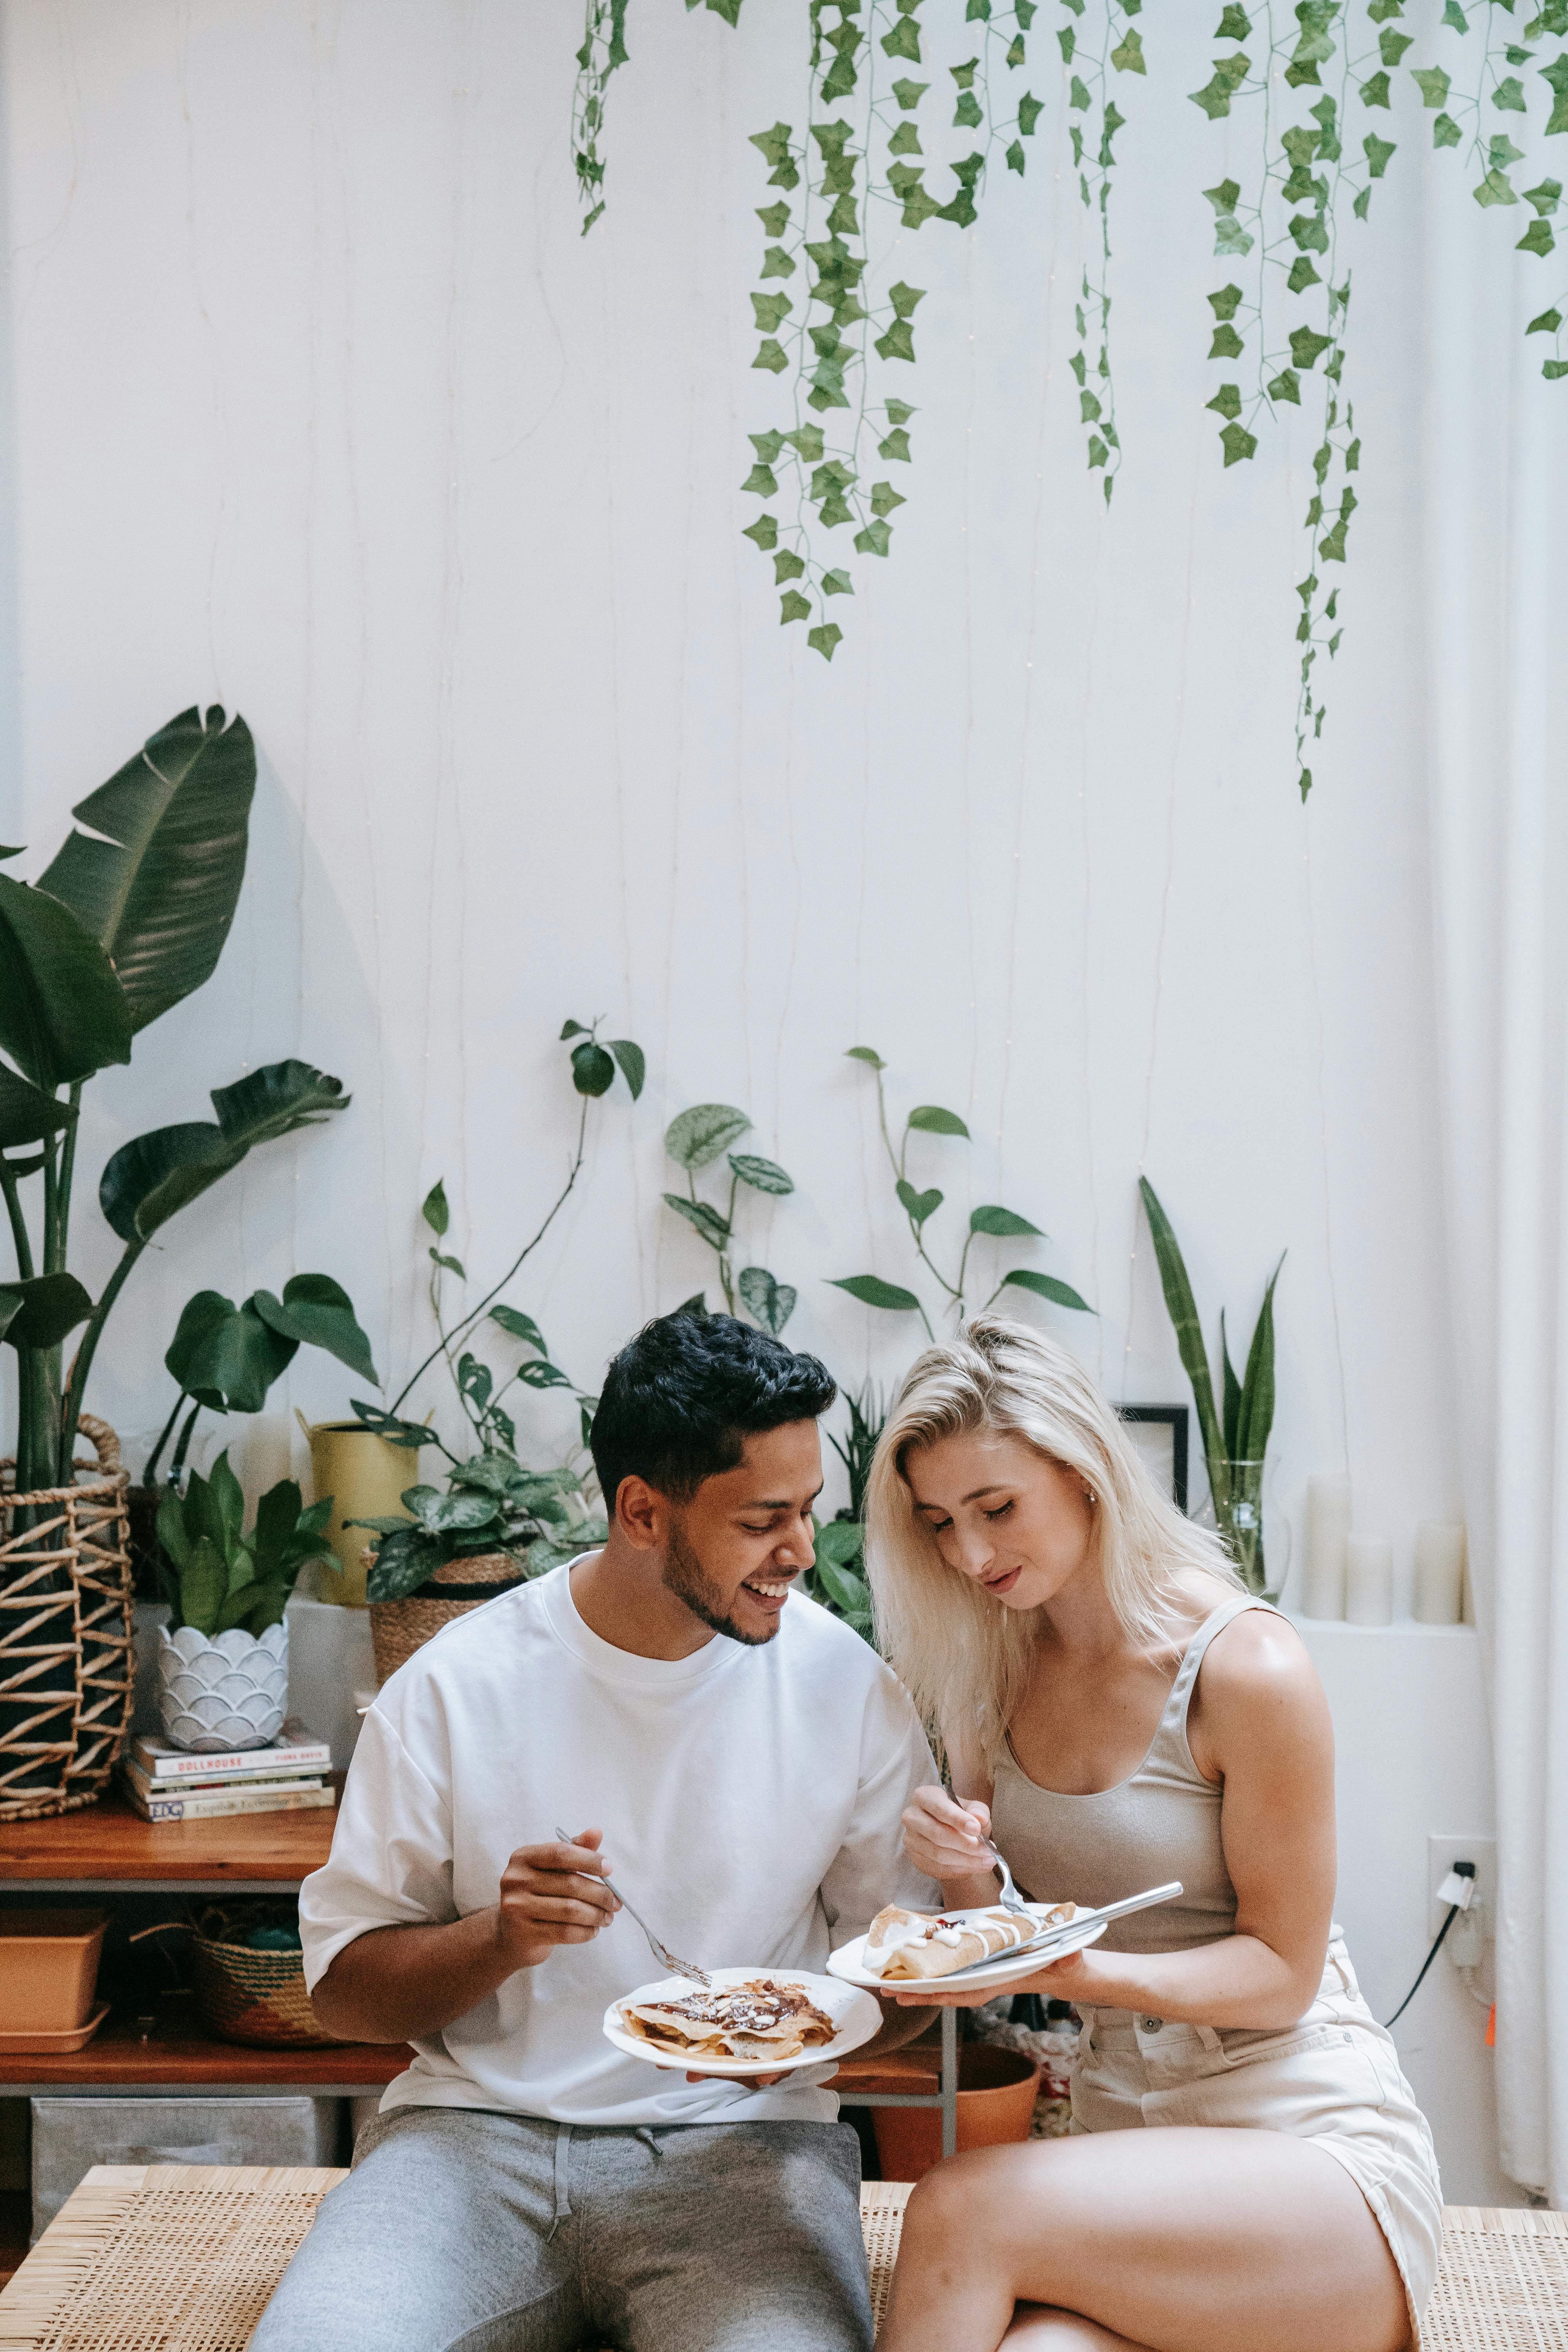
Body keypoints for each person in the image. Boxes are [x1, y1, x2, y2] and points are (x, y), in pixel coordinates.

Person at [251, 1310, 938, 2352]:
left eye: (807, 1511)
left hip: (744, 2153)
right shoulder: (454, 1686)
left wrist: (812, 2035)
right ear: (642, 1512)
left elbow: (898, 1979)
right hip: (470, 2144)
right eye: (763, 1521)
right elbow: (343, 1991)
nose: (800, 1551)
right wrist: (499, 1939)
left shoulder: (847, 1689)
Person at [863, 1314, 1443, 2352]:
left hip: (1307, 2148)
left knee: (957, 2203)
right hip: (1126, 2136)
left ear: (1083, 1470)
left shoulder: (1246, 1668)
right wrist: (965, 1876)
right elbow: (992, 1947)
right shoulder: (984, 1675)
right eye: (941, 1522)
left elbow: (1283, 1974)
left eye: (998, 1508)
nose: (971, 1553)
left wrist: (1079, 1969)